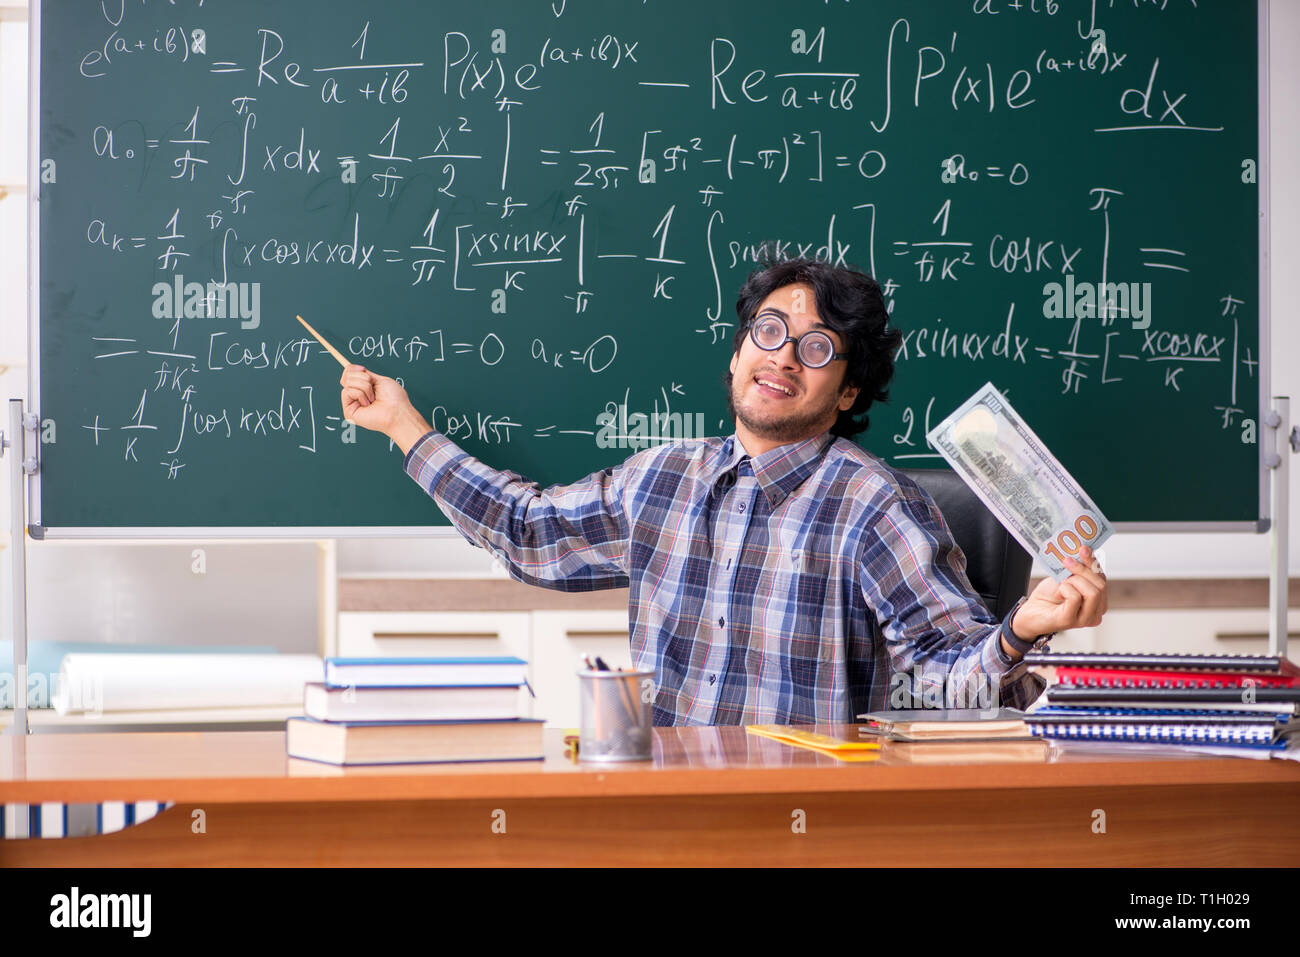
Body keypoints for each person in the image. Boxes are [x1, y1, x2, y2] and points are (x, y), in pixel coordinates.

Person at [339, 257, 1108, 725]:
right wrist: (405, 426)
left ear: (847, 393)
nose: (783, 358)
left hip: (814, 829)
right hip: (666, 815)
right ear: (739, 352)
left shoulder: (878, 506)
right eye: (768, 332)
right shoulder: (661, 480)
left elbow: (946, 679)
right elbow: (529, 529)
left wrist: (1018, 632)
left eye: (817, 349)